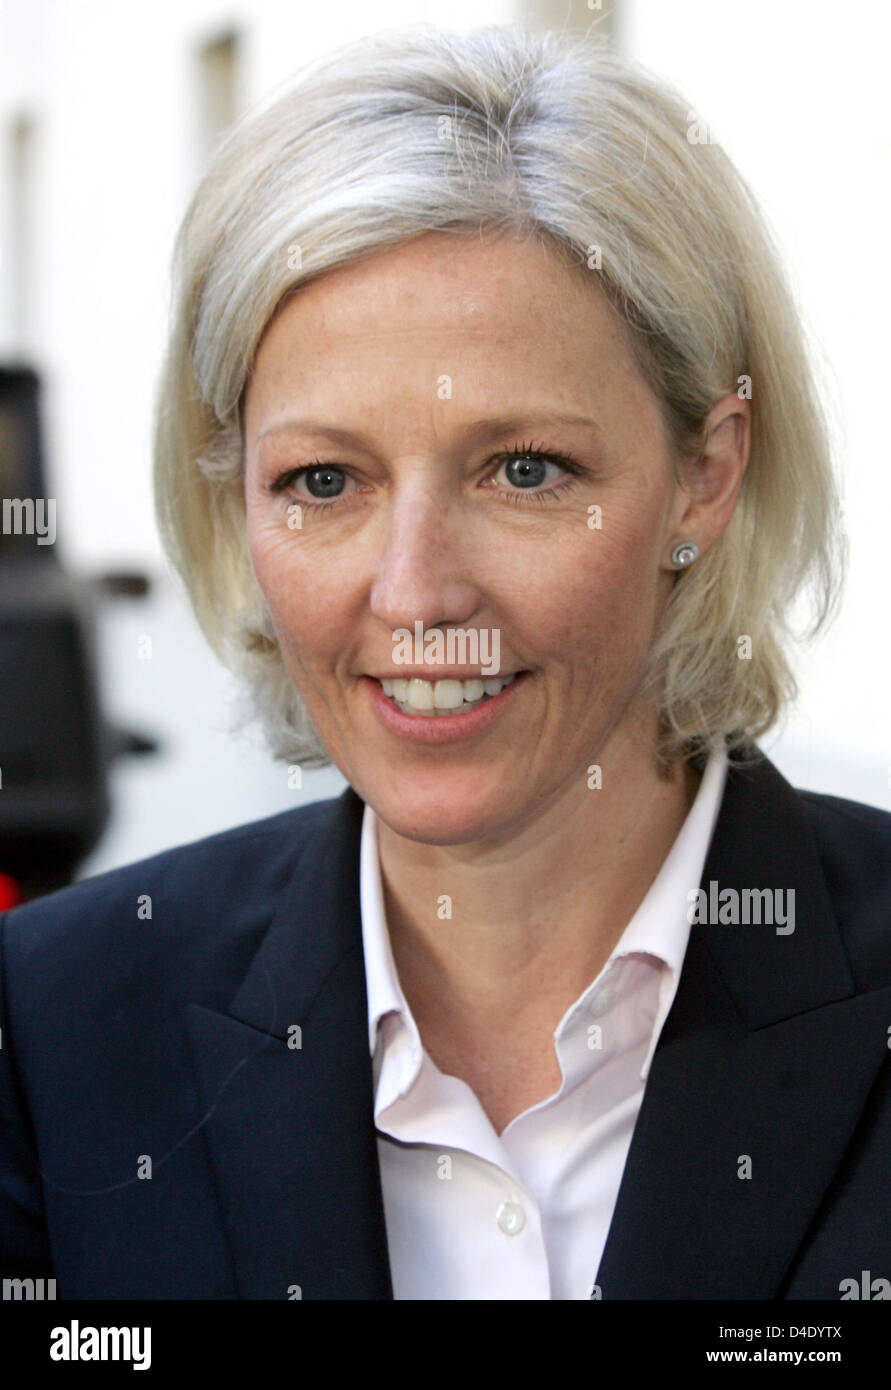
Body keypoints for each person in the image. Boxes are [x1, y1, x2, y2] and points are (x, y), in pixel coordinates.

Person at [1, 22, 889, 1302]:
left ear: (708, 471)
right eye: (323, 480)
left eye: (525, 470)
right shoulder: (55, 1029)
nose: (415, 592)